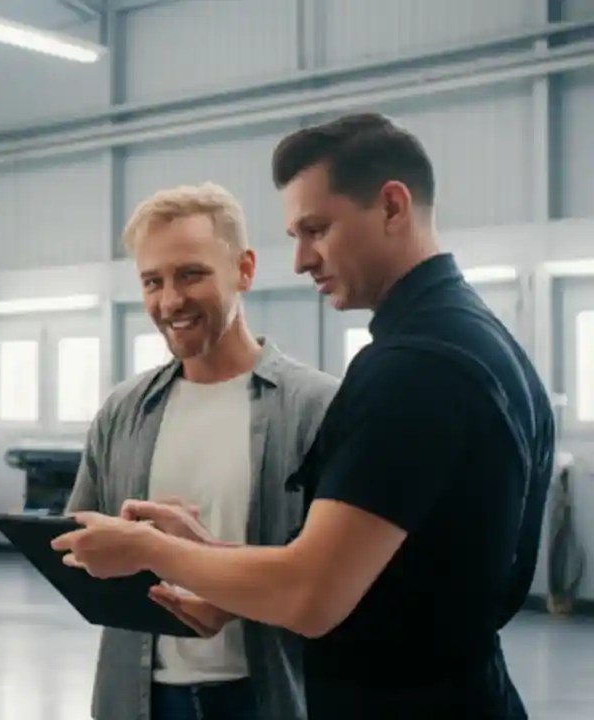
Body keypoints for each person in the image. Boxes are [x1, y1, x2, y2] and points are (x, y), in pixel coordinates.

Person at [52, 113, 555, 720]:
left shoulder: (413, 369)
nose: (302, 260)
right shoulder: (475, 339)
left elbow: (310, 592)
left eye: (316, 229)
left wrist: (149, 549)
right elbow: (365, 571)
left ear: (392, 206)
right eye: (151, 281)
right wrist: (211, 556)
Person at [64, 182, 340, 720]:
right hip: (141, 699)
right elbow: (77, 543)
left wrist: (226, 591)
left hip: (268, 696)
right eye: (152, 282)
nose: (170, 301)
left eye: (191, 274)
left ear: (244, 269)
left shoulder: (318, 408)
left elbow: (340, 581)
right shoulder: (123, 411)